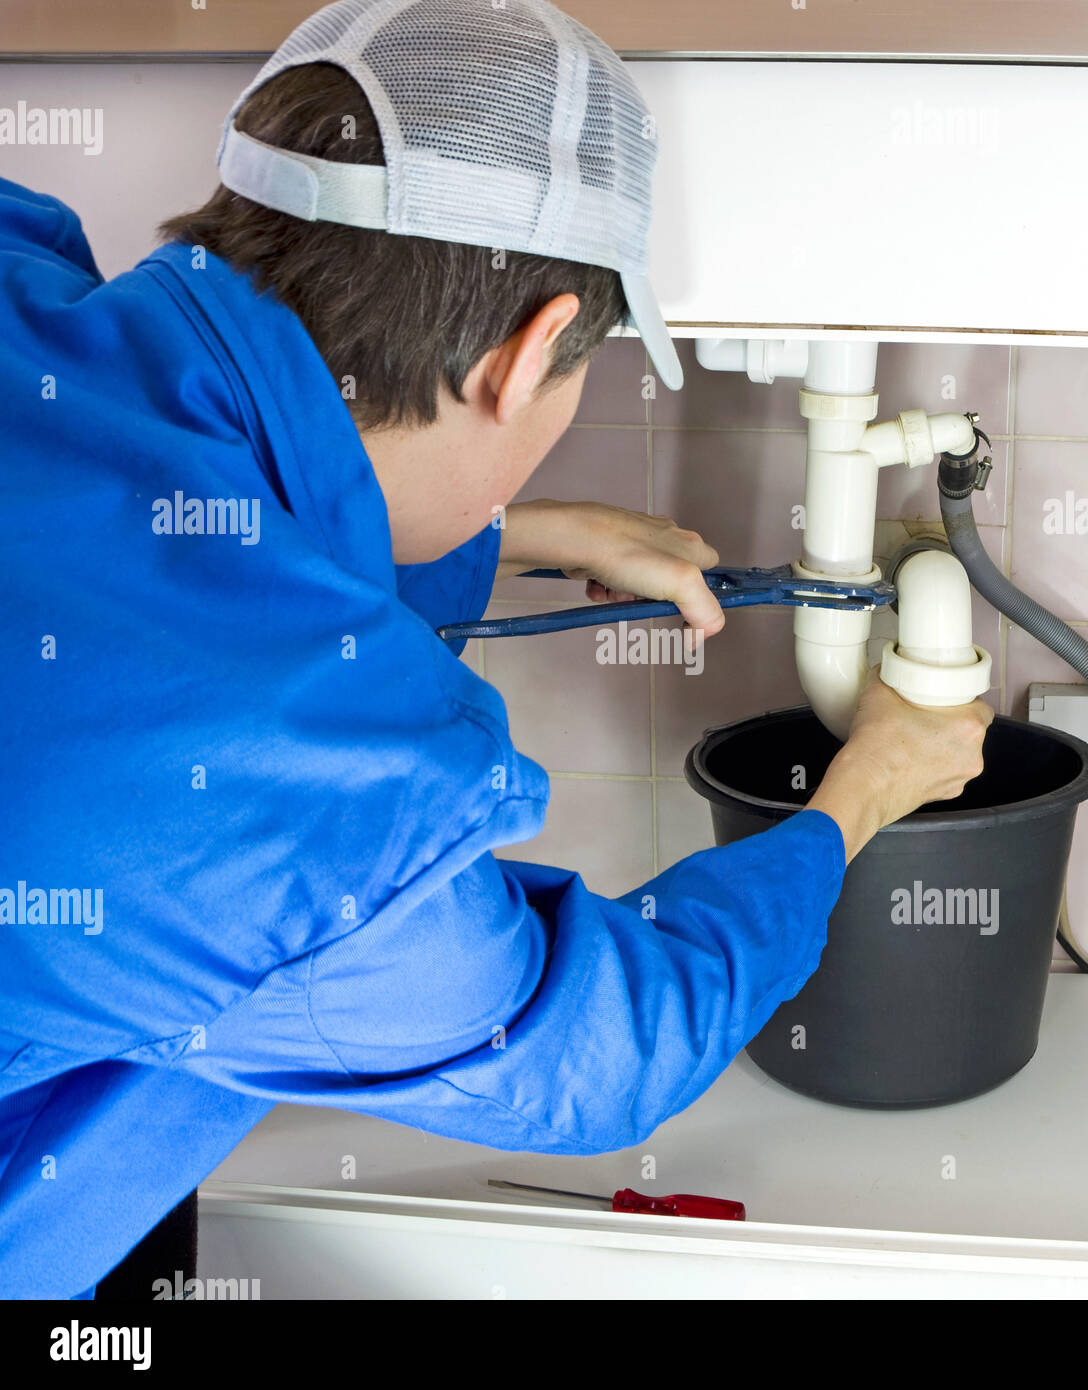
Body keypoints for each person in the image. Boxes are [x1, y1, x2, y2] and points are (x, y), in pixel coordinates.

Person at [0, 0, 991, 1298]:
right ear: (530, 356)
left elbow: (156, 541)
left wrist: (510, 527)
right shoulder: (316, 809)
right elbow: (605, 1053)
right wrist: (866, 788)